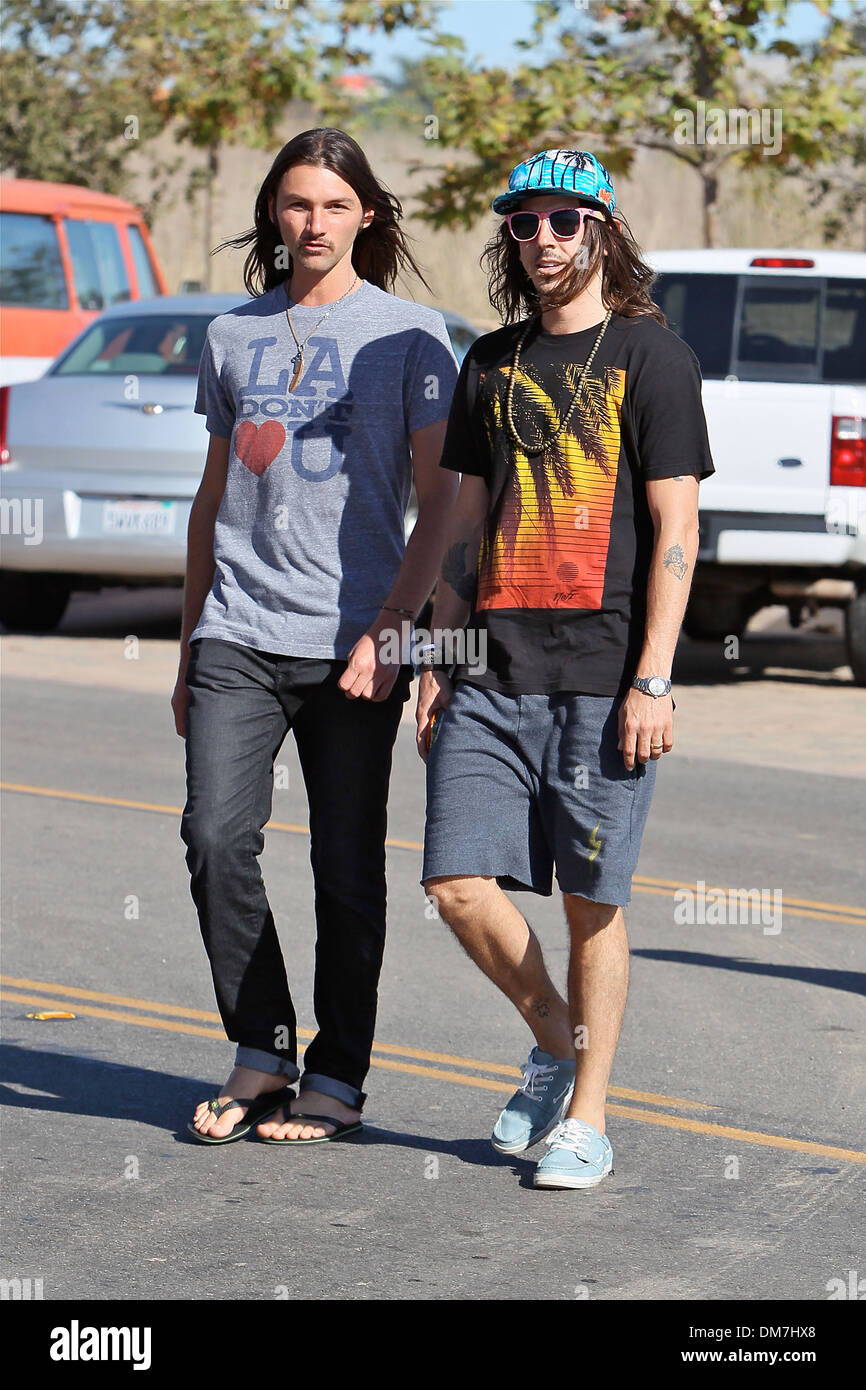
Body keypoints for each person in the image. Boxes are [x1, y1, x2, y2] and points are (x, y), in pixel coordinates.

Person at [416, 148, 714, 1189]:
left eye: (560, 220)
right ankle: (552, 1040)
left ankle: (587, 1115)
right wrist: (434, 650)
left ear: (602, 231)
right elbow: (464, 515)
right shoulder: (489, 362)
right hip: (488, 673)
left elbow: (676, 526)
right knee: (455, 884)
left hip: (601, 680)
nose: (539, 238)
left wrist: (653, 680)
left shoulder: (650, 357)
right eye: (522, 223)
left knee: (590, 902)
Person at [175, 127, 459, 1145]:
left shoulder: (413, 335)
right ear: (272, 214)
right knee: (214, 835)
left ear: (367, 216)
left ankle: (336, 1073)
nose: (313, 223)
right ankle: (261, 1050)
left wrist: (407, 638)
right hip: (237, 633)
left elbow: (443, 502)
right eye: (296, 204)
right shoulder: (227, 337)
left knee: (344, 865)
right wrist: (184, 649)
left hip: (354, 642)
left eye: (334, 206)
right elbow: (211, 502)